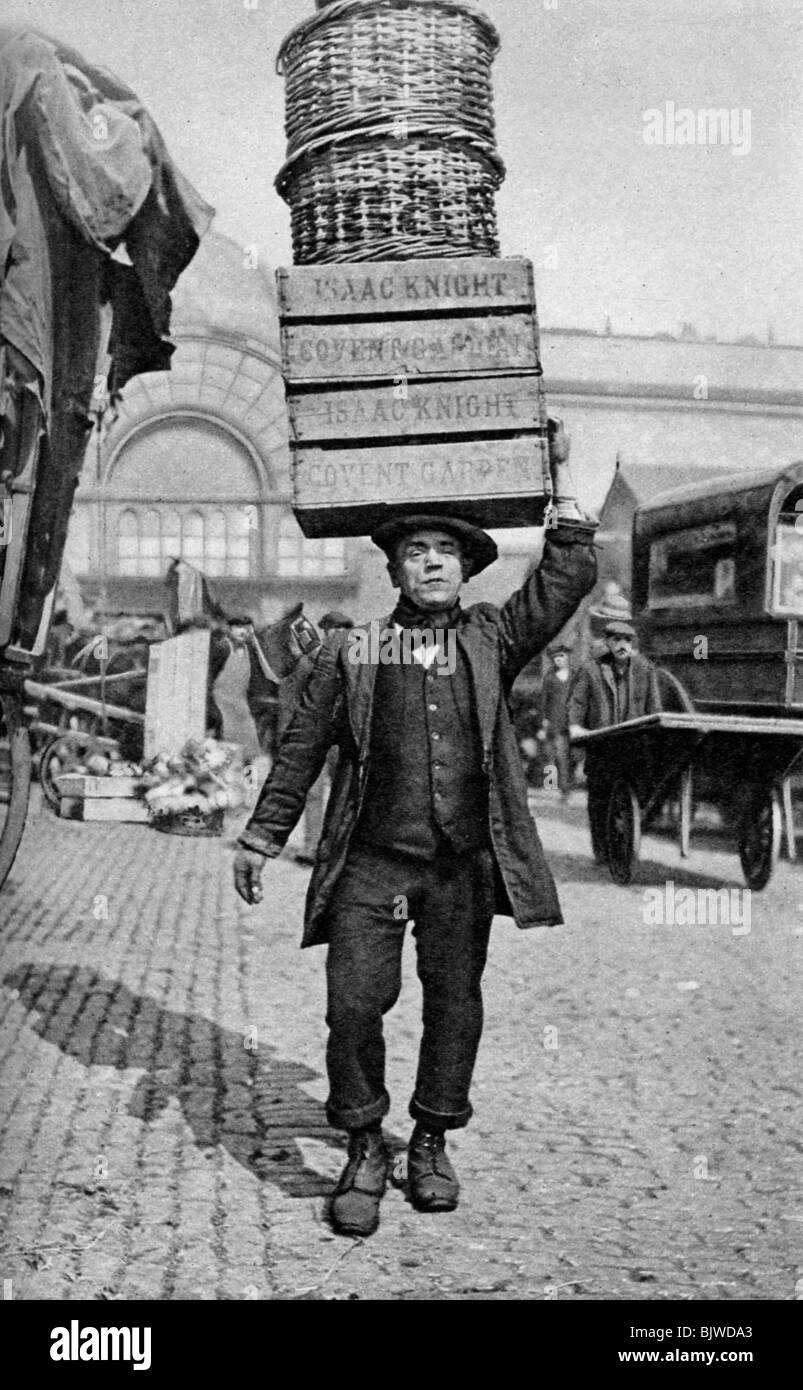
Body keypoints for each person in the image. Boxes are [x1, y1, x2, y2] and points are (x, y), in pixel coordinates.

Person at [233, 421, 598, 1238]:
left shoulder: (491, 638)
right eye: (415, 551)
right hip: (370, 863)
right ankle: (364, 1143)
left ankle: (429, 1139)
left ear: (466, 568)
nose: (430, 561)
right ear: (393, 568)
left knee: (455, 1004)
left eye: (444, 551)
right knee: (354, 1005)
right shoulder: (352, 650)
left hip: (458, 868)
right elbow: (301, 752)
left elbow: (568, 572)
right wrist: (261, 836)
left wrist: (562, 477)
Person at [567, 616, 661, 863]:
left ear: (633, 643)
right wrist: (575, 727)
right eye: (616, 639)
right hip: (603, 745)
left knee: (632, 798)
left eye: (628, 640)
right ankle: (602, 851)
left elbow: (655, 708)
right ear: (607, 642)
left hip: (634, 745)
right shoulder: (591, 670)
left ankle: (625, 845)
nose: (622, 645)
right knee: (599, 798)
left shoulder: (645, 669)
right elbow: (577, 702)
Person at [537, 641, 575, 799]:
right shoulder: (550, 678)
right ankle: (552, 786)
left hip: (571, 723)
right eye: (555, 657)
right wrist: (543, 722)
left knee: (568, 757)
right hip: (553, 722)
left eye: (562, 656)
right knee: (552, 755)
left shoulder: (574, 677)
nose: (558, 660)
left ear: (567, 658)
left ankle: (566, 787)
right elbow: (543, 701)